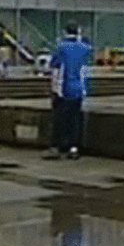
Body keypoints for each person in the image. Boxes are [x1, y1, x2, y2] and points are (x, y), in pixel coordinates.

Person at [45, 24, 91, 160]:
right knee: (75, 119)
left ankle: (57, 147)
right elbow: (85, 68)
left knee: (60, 119)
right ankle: (74, 147)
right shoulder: (85, 48)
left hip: (63, 89)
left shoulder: (61, 47)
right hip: (79, 89)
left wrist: (54, 90)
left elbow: (55, 67)